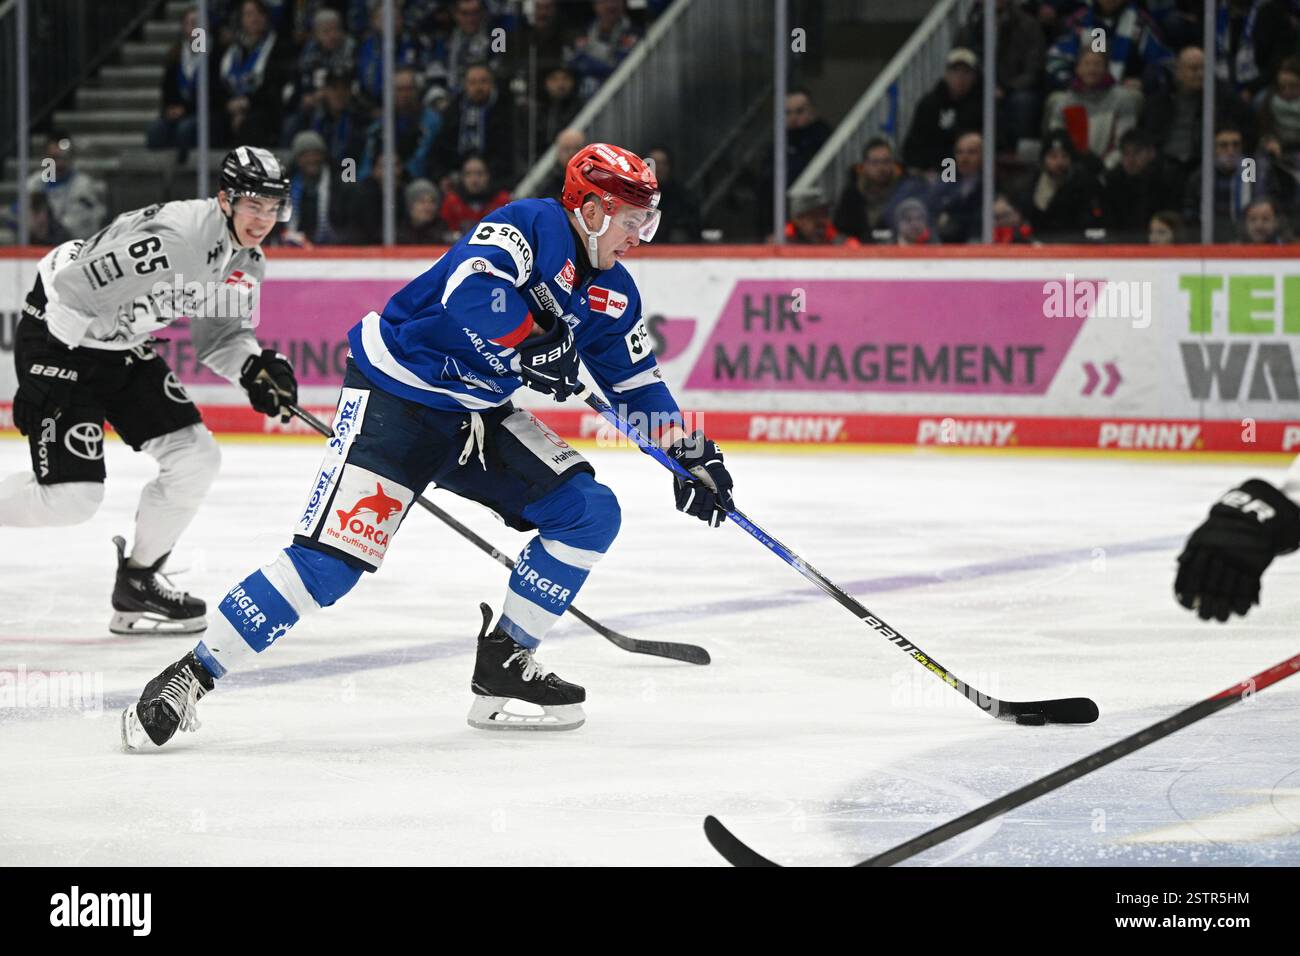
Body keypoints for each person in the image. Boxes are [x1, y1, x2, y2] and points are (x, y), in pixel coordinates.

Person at [120, 142, 738, 749]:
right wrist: (528, 342)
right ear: (594, 211)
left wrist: (683, 451)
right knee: (328, 567)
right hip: (400, 397)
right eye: (634, 221)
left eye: (648, 221)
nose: (641, 236)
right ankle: (192, 675)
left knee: (587, 513)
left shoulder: (614, 291)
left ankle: (505, 665)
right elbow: (470, 289)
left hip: (478, 412)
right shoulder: (532, 224)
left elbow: (634, 383)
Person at [1, 147, 300, 636]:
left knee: (195, 457)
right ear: (225, 200)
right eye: (253, 205)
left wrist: (255, 369)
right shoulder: (182, 239)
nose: (263, 219)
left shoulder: (244, 259)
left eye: (273, 208)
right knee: (73, 498)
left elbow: (219, 336)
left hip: (117, 343)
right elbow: (75, 288)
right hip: (62, 335)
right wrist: (52, 384)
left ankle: (138, 581)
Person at [902, 49, 983, 175]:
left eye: (966, 72)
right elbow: (913, 146)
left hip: (969, 173)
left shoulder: (982, 105)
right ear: (946, 75)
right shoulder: (929, 104)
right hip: (932, 170)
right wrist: (925, 169)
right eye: (955, 71)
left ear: (974, 77)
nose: (960, 77)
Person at [832, 138, 923, 242]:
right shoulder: (852, 194)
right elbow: (842, 230)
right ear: (864, 165)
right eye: (875, 162)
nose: (881, 168)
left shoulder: (905, 191)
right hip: (861, 253)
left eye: (886, 161)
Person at [25, 132, 108, 240]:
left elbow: (80, 228)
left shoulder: (83, 186)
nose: (59, 164)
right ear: (45, 157)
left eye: (64, 158)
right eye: (54, 158)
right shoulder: (34, 183)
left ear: (72, 157)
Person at [437, 153, 511, 239]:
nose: (474, 180)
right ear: (462, 177)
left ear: (488, 176)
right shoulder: (451, 202)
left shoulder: (502, 201)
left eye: (479, 174)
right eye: (469, 174)